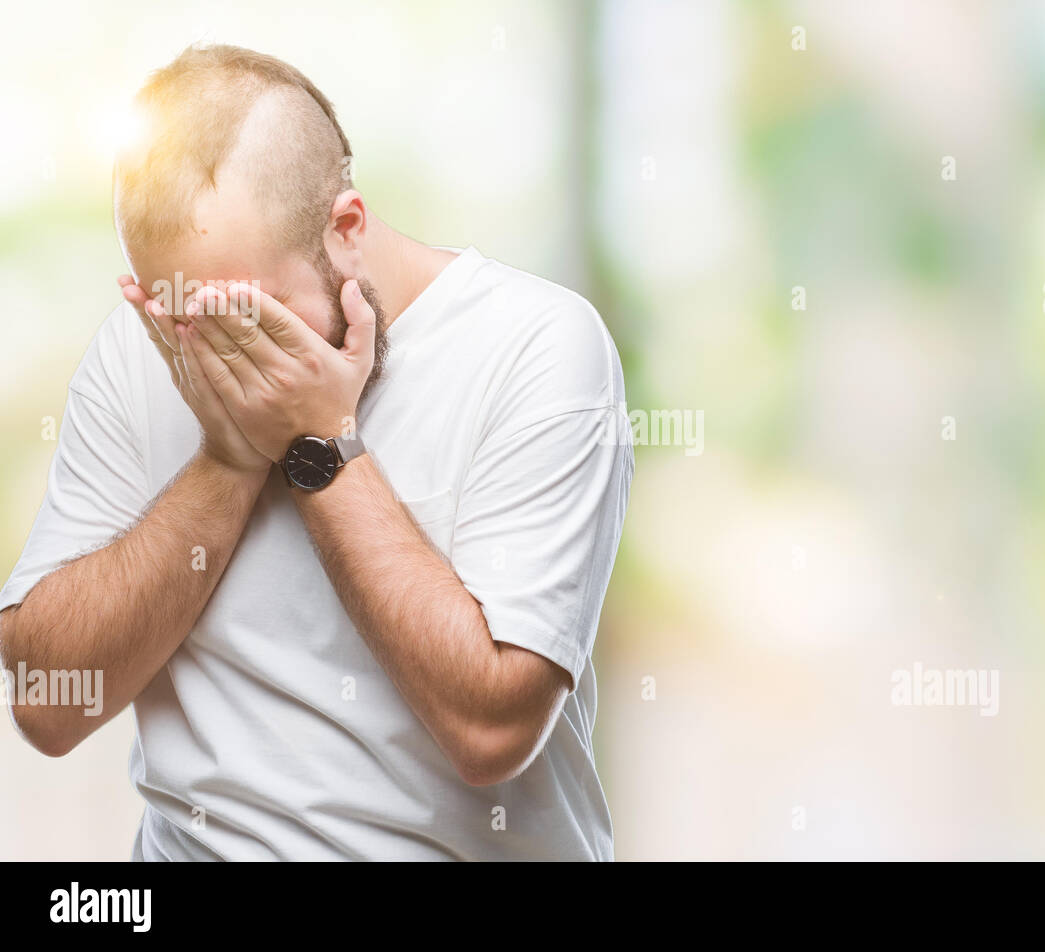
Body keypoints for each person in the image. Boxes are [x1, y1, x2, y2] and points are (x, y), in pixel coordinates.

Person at [0, 44, 632, 861]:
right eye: (182, 314)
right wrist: (226, 465)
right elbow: (47, 705)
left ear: (346, 230)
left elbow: (492, 727)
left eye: (249, 316)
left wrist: (323, 445)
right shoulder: (149, 346)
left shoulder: (539, 347)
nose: (217, 353)